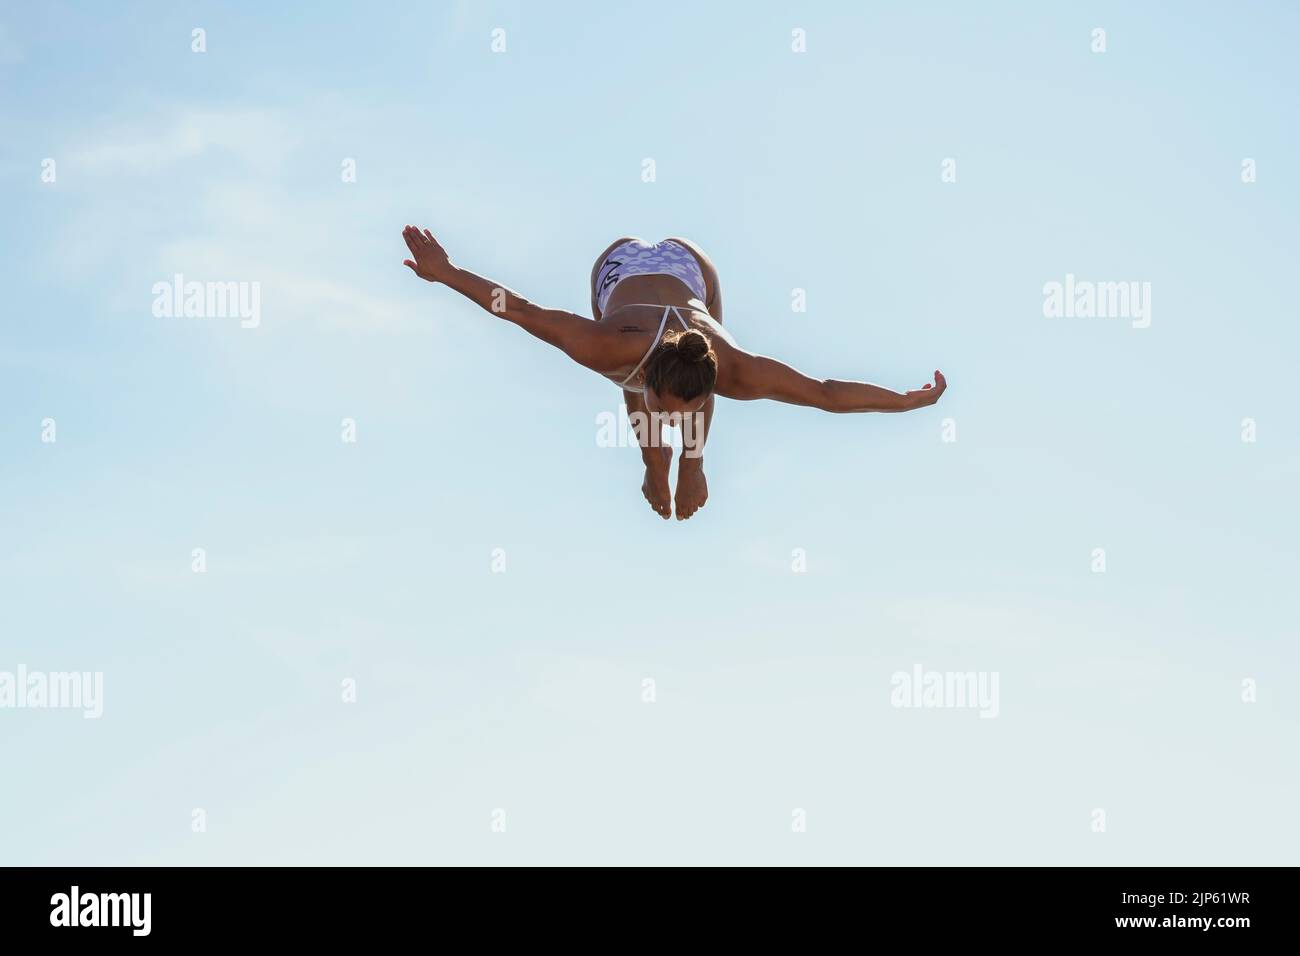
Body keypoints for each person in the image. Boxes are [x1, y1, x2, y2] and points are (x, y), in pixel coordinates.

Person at [402, 226, 947, 521]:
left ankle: (689, 463)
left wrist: (905, 402)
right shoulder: (604, 346)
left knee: (677, 394)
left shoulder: (734, 370)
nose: (670, 416)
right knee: (628, 380)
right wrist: (445, 273)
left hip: (693, 268)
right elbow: (517, 308)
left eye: (680, 413)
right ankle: (654, 461)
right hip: (618, 266)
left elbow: (826, 395)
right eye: (667, 407)